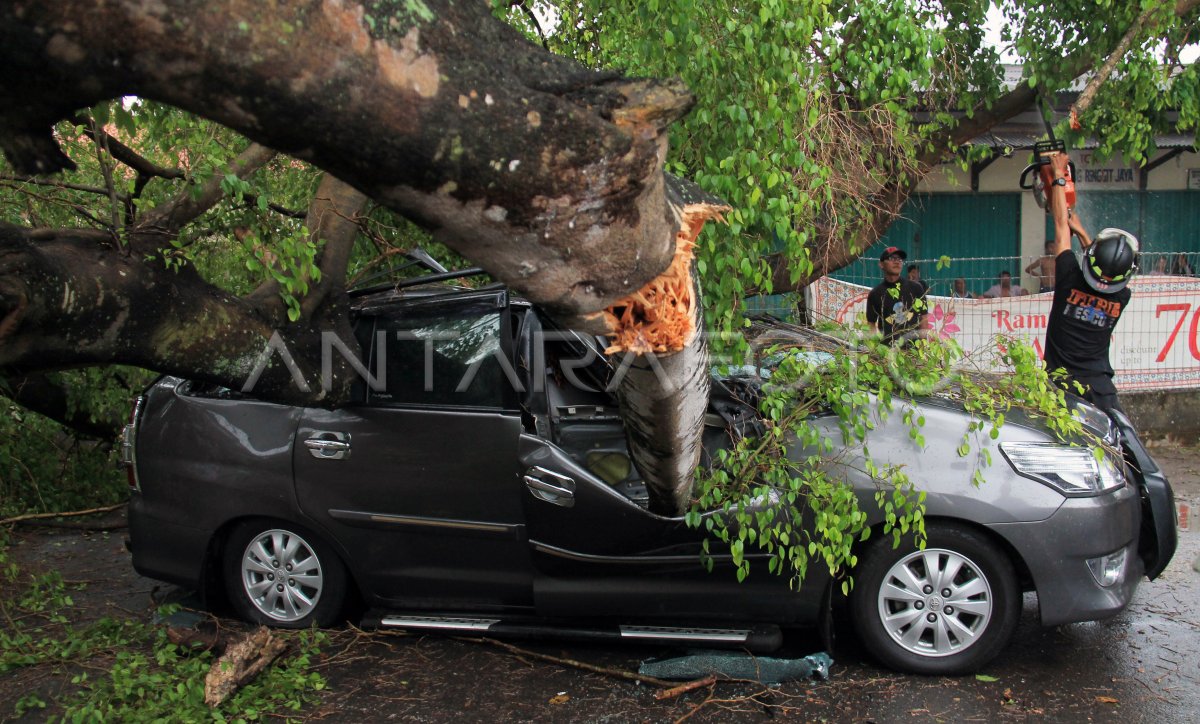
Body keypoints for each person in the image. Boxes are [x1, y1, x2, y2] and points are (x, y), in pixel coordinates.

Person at [1042, 152, 1139, 415]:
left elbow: (1061, 224)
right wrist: (1083, 233)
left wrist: (1059, 176)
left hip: (1061, 388)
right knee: (1122, 451)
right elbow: (1102, 273)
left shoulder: (1069, 277)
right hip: (1101, 391)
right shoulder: (1121, 298)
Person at [866, 246, 928, 344]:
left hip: (913, 351)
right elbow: (871, 324)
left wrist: (923, 347)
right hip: (887, 353)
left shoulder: (916, 288)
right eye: (892, 258)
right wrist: (875, 349)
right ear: (881, 264)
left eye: (899, 259)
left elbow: (924, 318)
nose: (897, 262)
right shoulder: (875, 294)